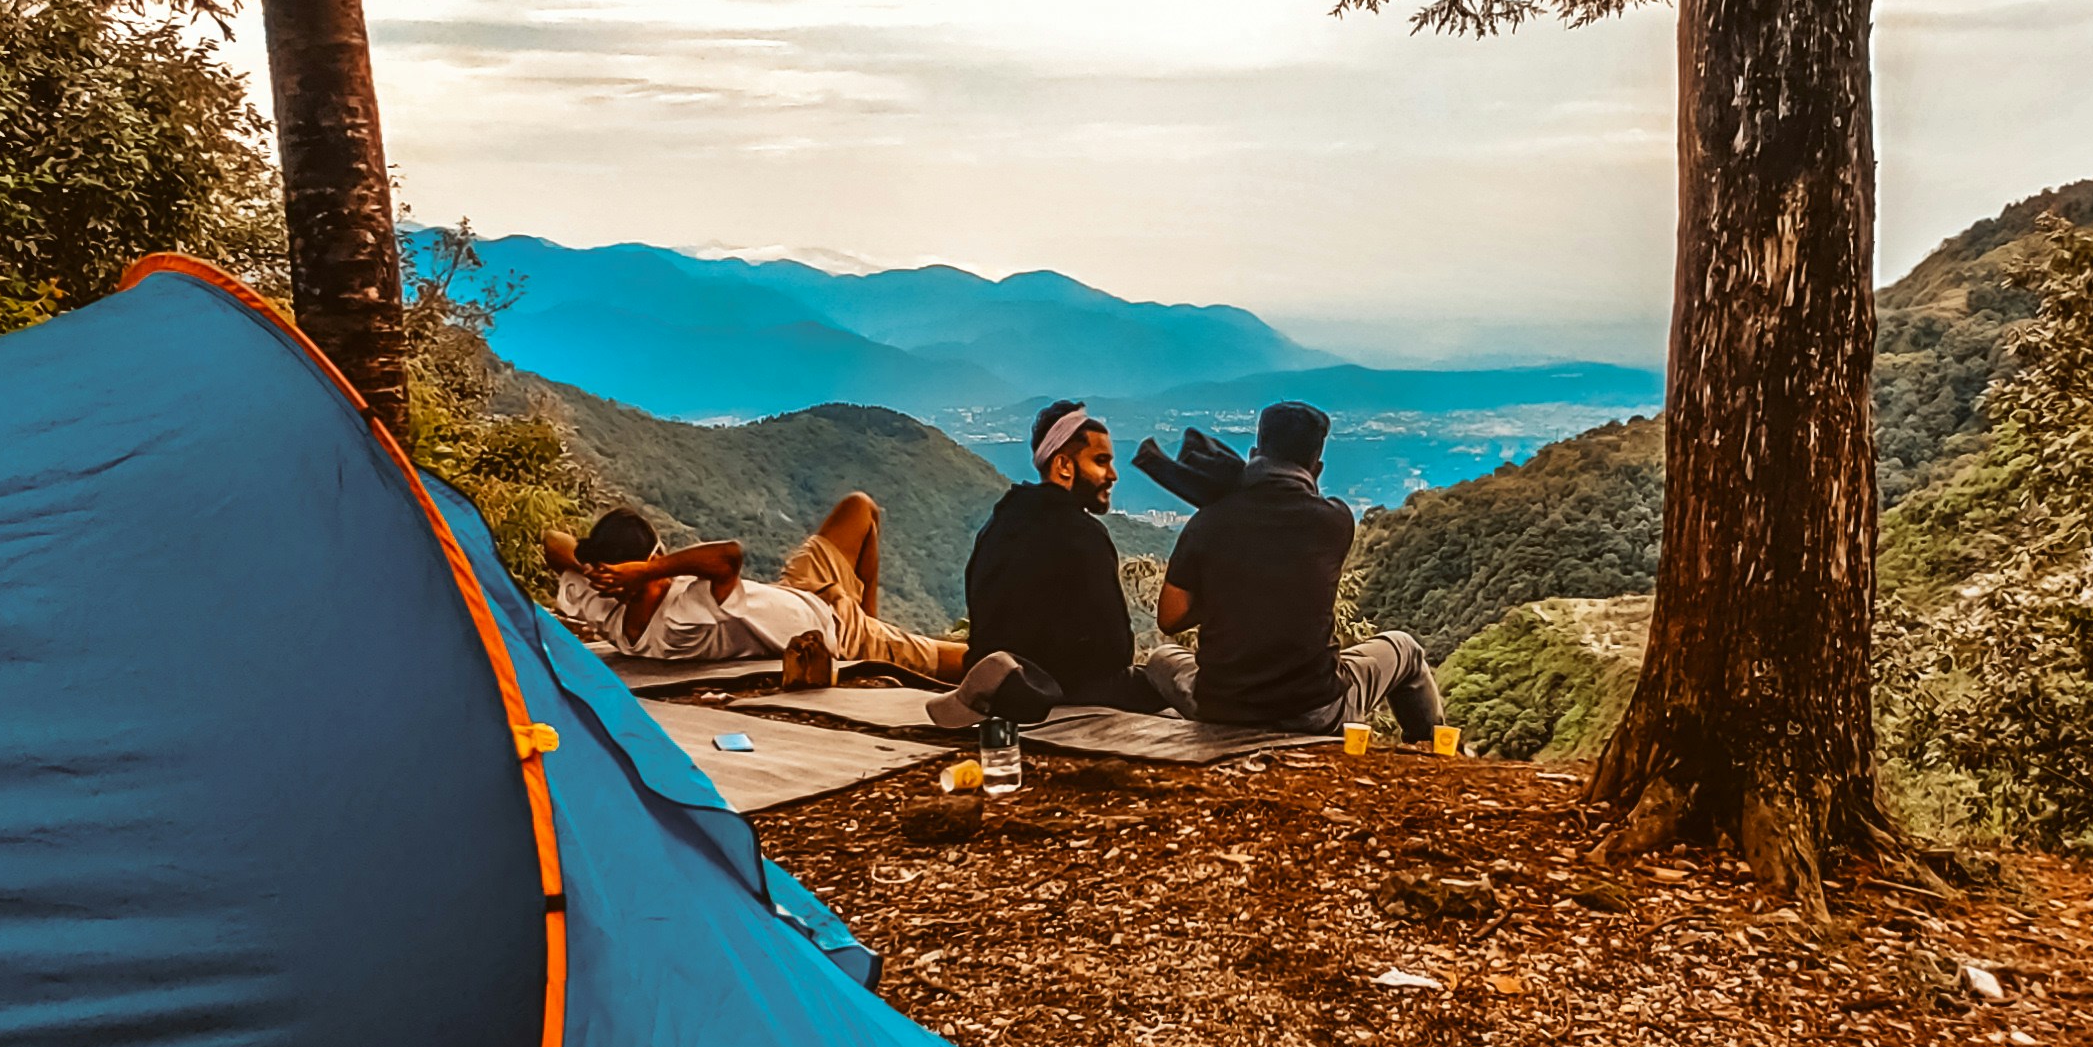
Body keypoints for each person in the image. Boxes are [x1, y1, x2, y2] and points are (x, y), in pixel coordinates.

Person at [1133, 401, 1442, 737]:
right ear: (1317, 468)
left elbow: (1170, 618)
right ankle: (1433, 752)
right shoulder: (1334, 521)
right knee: (1405, 649)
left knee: (1161, 657)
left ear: (1254, 452)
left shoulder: (1208, 520)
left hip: (1221, 707)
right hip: (1315, 711)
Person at [541, 495, 970, 683]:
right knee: (970, 660)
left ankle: (871, 616)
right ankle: (872, 634)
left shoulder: (605, 604)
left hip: (797, 590)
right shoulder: (680, 619)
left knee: (859, 507)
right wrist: (648, 571)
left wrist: (601, 568)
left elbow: (552, 542)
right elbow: (729, 556)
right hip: (833, 630)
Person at [961, 399, 1169, 714]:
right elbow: (1118, 650)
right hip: (1072, 695)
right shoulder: (1083, 535)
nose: (1112, 475)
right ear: (1064, 466)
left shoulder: (998, 525)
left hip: (1005, 694)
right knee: (1164, 670)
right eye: (1100, 461)